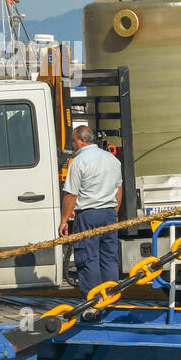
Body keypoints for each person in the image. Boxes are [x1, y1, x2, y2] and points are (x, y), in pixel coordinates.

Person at [59, 125, 123, 301]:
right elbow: (119, 189)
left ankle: (93, 302)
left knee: (88, 258)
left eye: (73, 141)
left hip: (88, 215)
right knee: (109, 258)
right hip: (109, 213)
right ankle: (111, 298)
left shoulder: (78, 162)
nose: (73, 145)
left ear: (82, 140)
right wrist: (115, 211)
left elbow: (72, 194)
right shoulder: (112, 160)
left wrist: (64, 220)